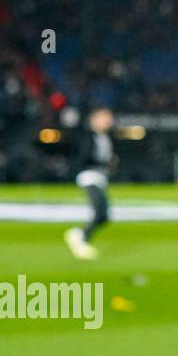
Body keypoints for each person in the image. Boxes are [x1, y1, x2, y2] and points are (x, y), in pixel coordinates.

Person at [64, 106, 115, 260]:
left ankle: (81, 236)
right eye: (105, 117)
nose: (109, 121)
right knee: (100, 211)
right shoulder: (87, 136)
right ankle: (80, 236)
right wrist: (104, 164)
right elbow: (83, 157)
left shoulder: (105, 137)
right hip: (90, 176)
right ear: (95, 119)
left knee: (104, 215)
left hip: (100, 177)